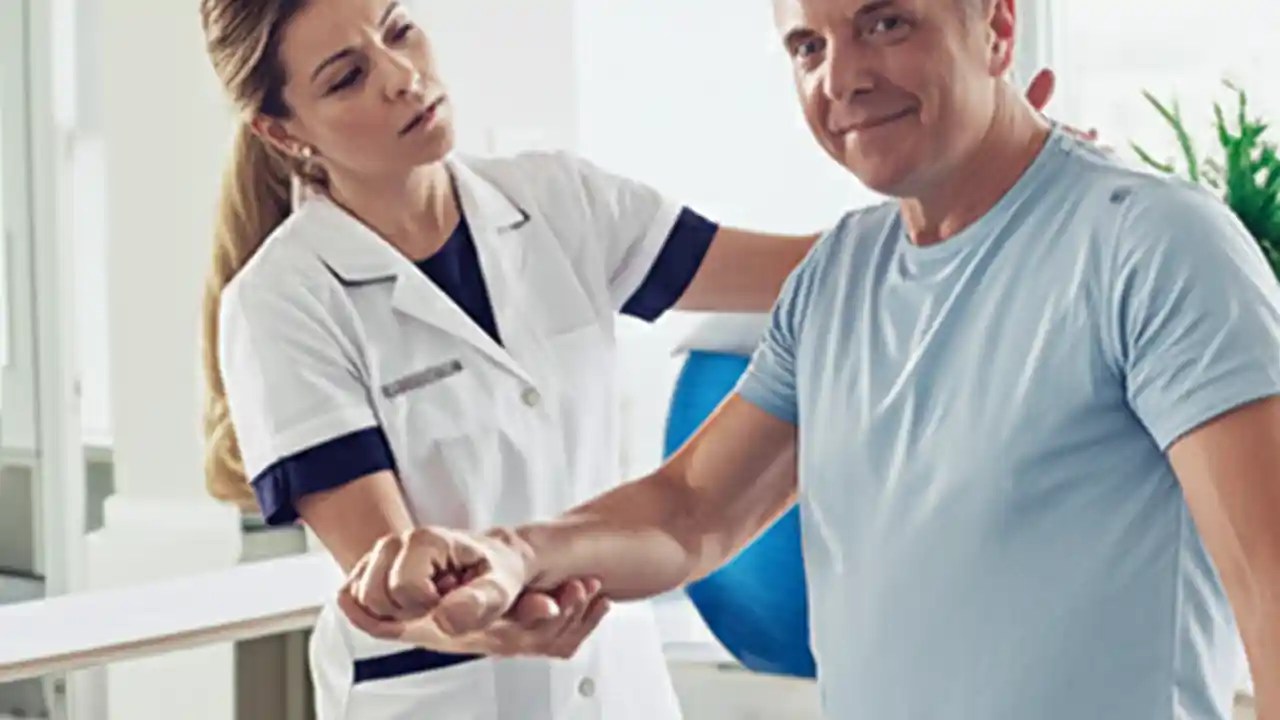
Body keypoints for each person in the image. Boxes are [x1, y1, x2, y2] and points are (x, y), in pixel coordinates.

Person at [339, 0, 1280, 719]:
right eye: (809, 46)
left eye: (885, 22)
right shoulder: (839, 275)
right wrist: (509, 553)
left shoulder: (1155, 244)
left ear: (996, 26)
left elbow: (1269, 578)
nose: (844, 79)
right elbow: (691, 513)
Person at [199, 0, 1063, 718]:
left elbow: (810, 273)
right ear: (284, 132)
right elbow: (390, 577)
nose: (400, 76)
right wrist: (493, 617)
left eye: (398, 30)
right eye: (346, 77)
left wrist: (988, 191)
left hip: (610, 683)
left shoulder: (552, 201)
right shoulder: (282, 303)